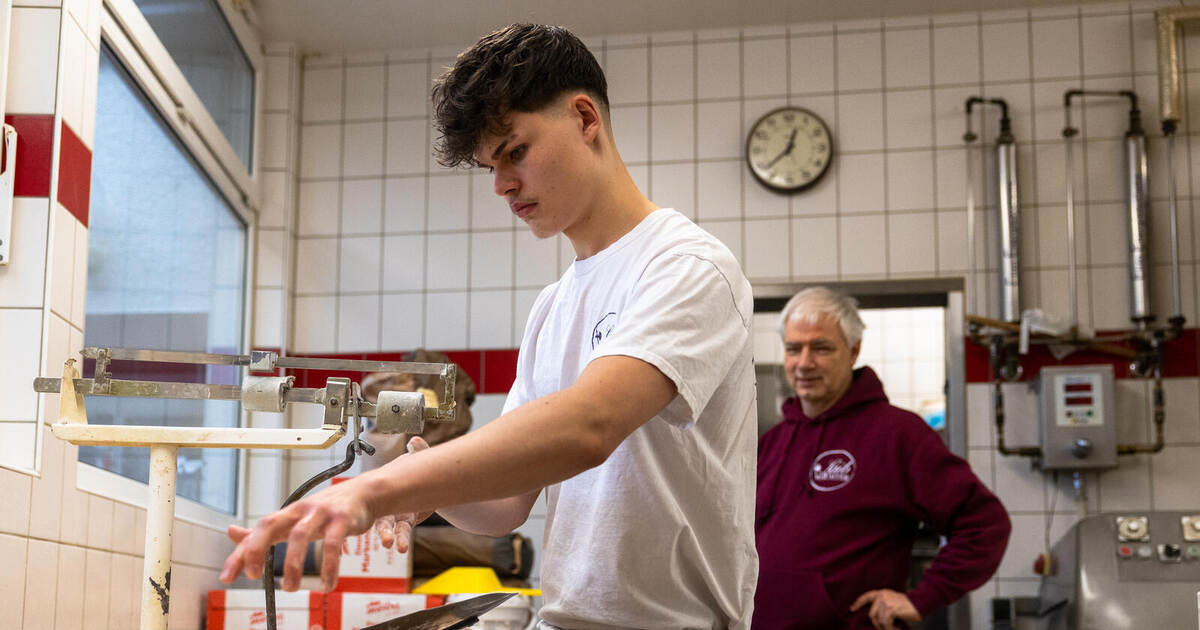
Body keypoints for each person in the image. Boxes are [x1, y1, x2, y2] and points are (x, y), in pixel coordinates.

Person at [221, 23, 759, 629]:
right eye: (489, 166)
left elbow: (589, 425)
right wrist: (431, 487)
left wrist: (381, 489)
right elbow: (506, 504)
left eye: (515, 152)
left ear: (585, 118)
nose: (502, 185)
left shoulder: (687, 266)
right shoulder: (553, 307)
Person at [753, 287, 1010, 630]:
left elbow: (985, 523)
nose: (804, 363)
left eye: (821, 348)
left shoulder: (897, 434)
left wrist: (922, 598)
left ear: (853, 350)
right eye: (793, 349)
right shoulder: (770, 443)